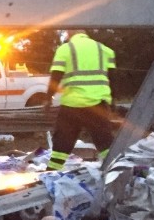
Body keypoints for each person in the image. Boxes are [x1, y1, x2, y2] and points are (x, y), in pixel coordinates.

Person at [43, 29, 117, 171]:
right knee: (105, 142)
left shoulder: (65, 49)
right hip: (97, 105)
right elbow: (113, 79)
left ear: (71, 32)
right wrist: (113, 101)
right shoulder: (105, 50)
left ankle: (51, 172)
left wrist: (48, 98)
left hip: (72, 105)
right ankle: (117, 170)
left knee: (62, 143)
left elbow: (56, 75)